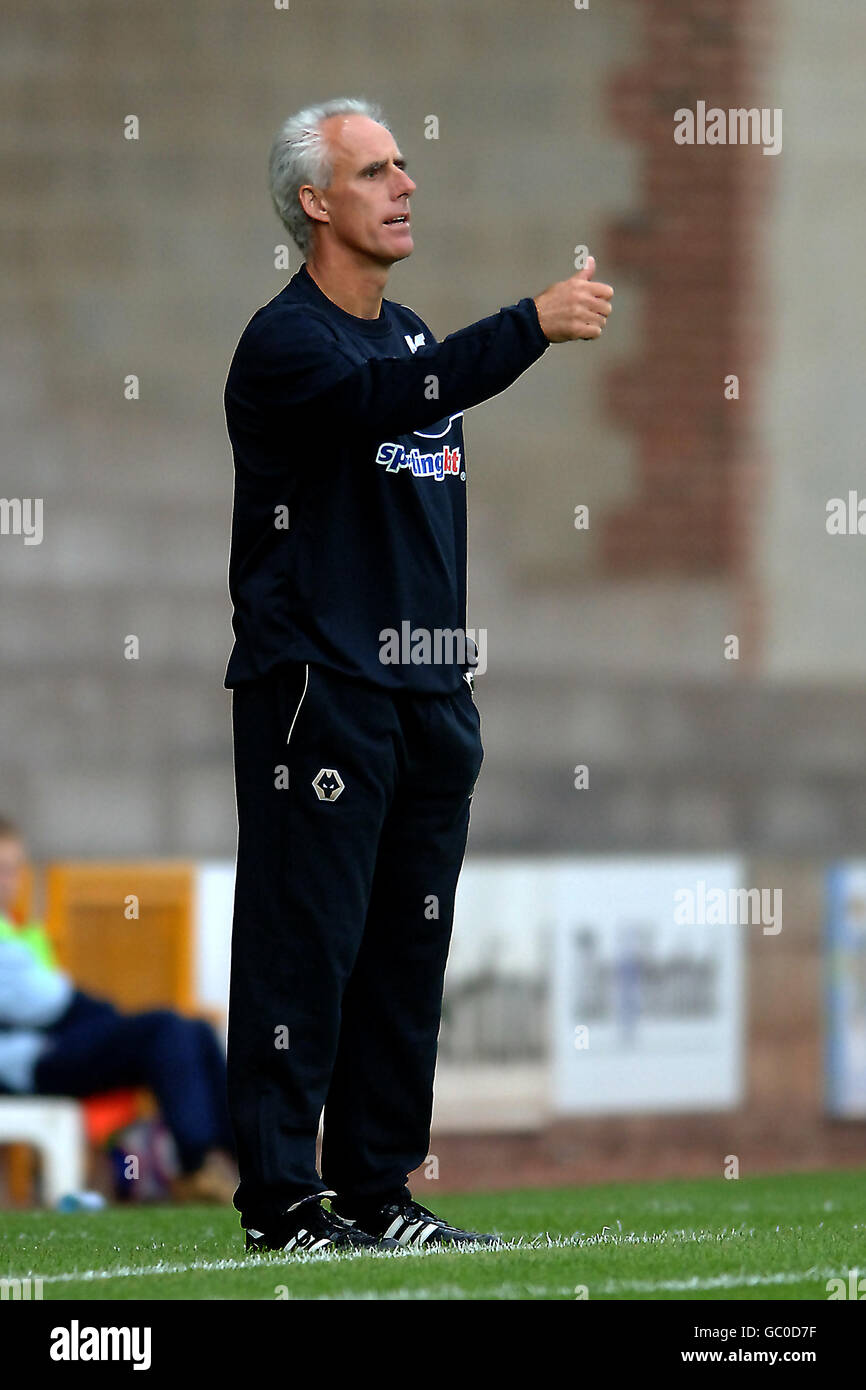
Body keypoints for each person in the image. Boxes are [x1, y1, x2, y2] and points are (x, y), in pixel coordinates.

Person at [223, 96, 613, 1253]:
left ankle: (379, 1190)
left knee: (407, 953)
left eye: (404, 167)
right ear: (313, 202)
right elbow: (394, 402)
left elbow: (419, 439)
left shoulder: (411, 339)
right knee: (308, 947)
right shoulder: (289, 342)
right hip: (318, 687)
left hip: (427, 696)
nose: (404, 187)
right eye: (374, 171)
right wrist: (526, 326)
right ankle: (283, 1203)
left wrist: (453, 691)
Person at [0, 815, 237, 1203]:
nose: (8, 880)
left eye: (13, 869)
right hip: (29, 1063)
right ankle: (196, 1164)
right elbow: (57, 1005)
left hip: (50, 1043)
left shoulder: (17, 928)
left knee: (192, 1029)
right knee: (165, 1030)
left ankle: (240, 1154)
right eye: (1, 870)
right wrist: (117, 1025)